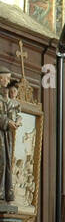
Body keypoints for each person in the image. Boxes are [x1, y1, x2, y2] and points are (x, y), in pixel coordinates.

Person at [0, 74, 20, 203]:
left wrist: (16, 121)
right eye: (4, 78)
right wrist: (7, 122)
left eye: (8, 79)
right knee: (1, 160)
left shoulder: (6, 98)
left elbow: (13, 113)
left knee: (7, 161)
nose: (7, 81)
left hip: (6, 135)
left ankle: (5, 193)